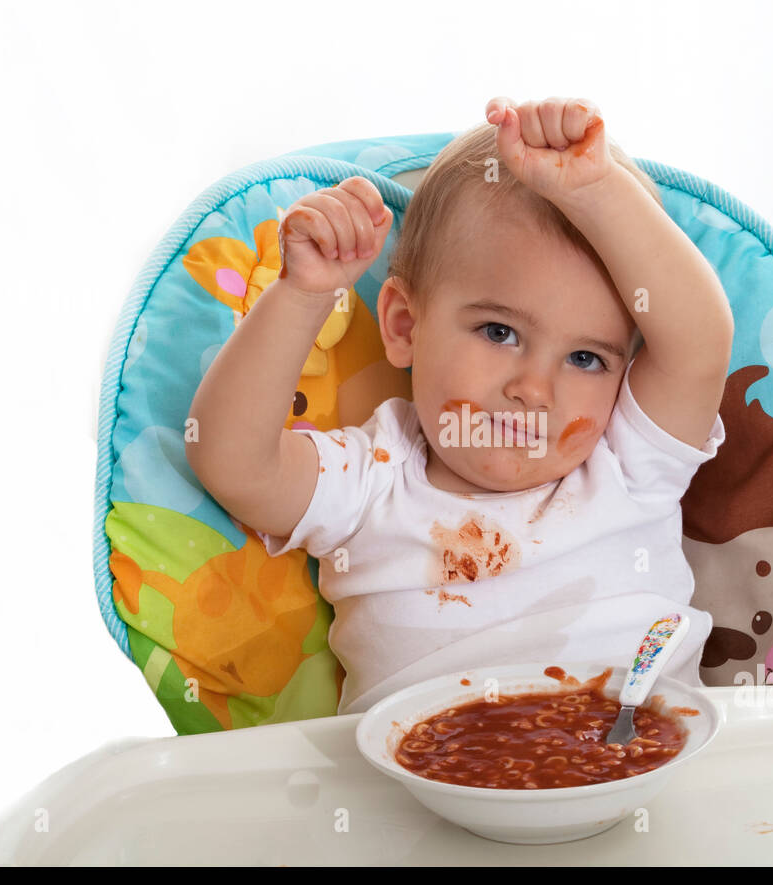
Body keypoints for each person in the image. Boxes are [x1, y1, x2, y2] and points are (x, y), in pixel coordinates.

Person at [186, 96, 733, 714]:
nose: (534, 388)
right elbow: (233, 462)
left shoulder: (628, 462)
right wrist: (303, 296)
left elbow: (700, 344)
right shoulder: (372, 481)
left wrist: (598, 189)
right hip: (417, 794)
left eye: (586, 359)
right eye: (500, 332)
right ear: (403, 325)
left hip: (645, 771)